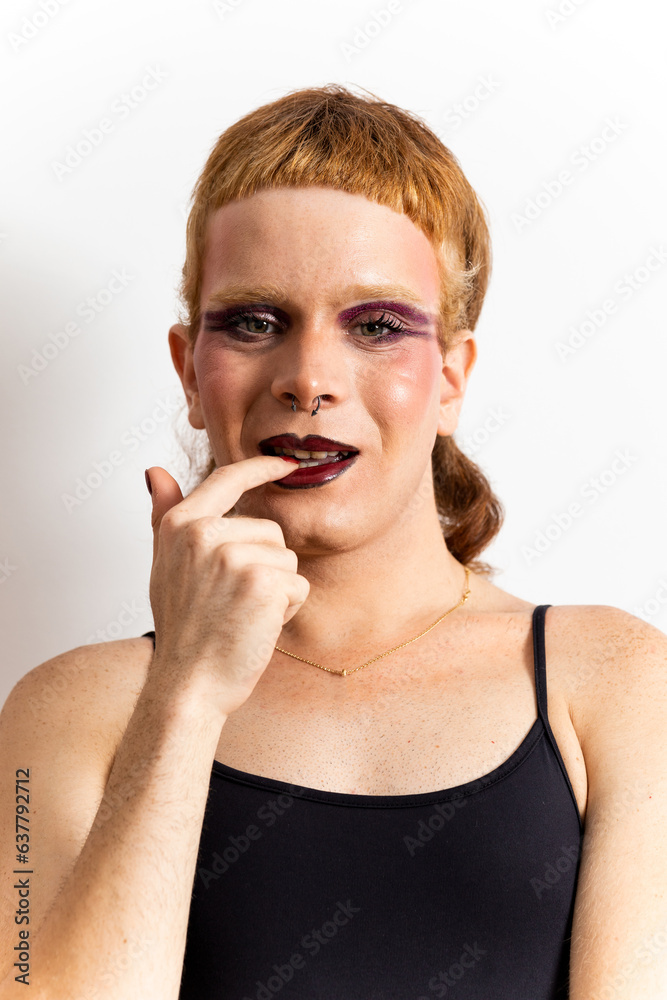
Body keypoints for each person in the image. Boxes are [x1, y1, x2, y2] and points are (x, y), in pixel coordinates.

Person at [0, 83, 665, 1000]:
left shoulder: (618, 679)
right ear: (190, 373)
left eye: (379, 326)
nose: (308, 377)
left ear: (450, 381)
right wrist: (185, 694)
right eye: (255, 322)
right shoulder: (71, 708)